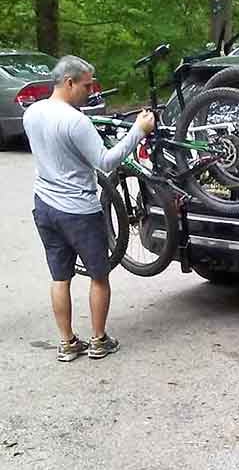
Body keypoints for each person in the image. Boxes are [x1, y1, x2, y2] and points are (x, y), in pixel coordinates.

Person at [23, 56, 155, 362]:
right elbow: (105, 162)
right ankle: (99, 340)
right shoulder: (75, 121)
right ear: (69, 82)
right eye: (86, 85)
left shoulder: (33, 113)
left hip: (44, 205)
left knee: (60, 277)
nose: (90, 90)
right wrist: (138, 130)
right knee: (99, 276)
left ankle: (67, 343)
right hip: (79, 210)